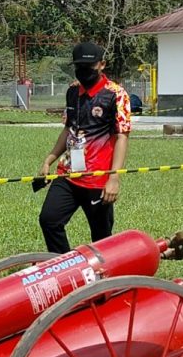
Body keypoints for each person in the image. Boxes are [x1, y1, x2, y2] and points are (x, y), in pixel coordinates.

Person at [39, 41, 132, 253]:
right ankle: (66, 268)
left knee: (101, 238)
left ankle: (103, 280)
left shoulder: (116, 94)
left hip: (98, 179)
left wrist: (114, 178)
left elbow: (122, 137)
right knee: (49, 220)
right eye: (79, 66)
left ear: (101, 65)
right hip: (68, 174)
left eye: (88, 67)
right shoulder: (72, 91)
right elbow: (67, 130)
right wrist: (48, 160)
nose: (83, 71)